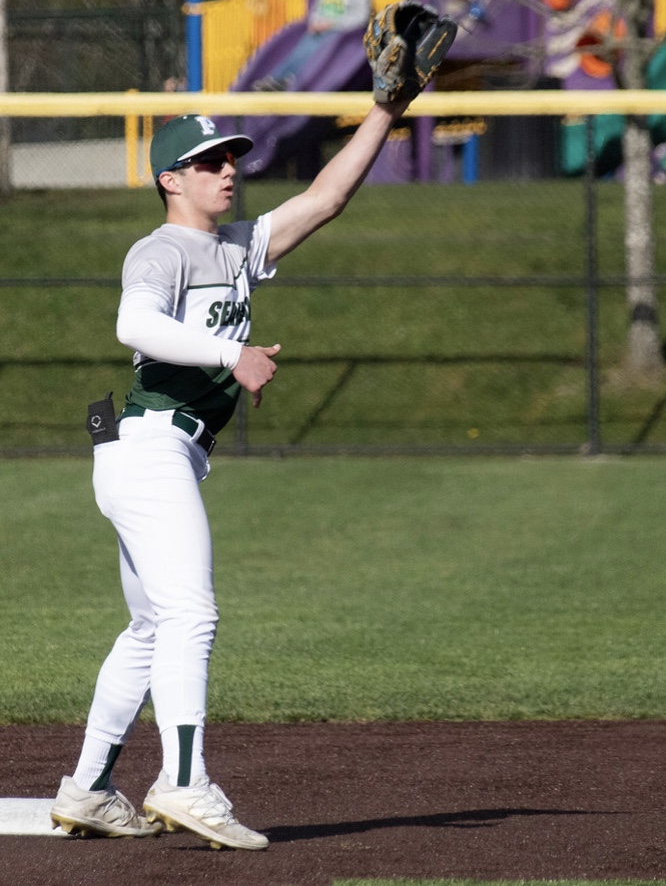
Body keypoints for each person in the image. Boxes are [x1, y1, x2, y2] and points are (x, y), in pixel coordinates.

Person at [49, 97, 410, 850]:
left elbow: (326, 197)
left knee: (152, 626)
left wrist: (386, 109)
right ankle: (184, 783)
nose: (228, 170)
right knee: (191, 616)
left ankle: (87, 789)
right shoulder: (162, 249)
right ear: (169, 179)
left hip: (149, 452)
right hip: (149, 447)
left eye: (232, 158)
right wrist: (229, 355)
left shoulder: (239, 247)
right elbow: (134, 326)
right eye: (209, 161)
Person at [253, 0, 372, 91]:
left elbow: (361, 17)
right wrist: (316, 22)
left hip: (345, 34)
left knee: (318, 47)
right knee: (304, 45)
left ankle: (293, 78)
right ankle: (278, 77)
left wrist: (332, 24)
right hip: (324, 28)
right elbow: (317, 9)